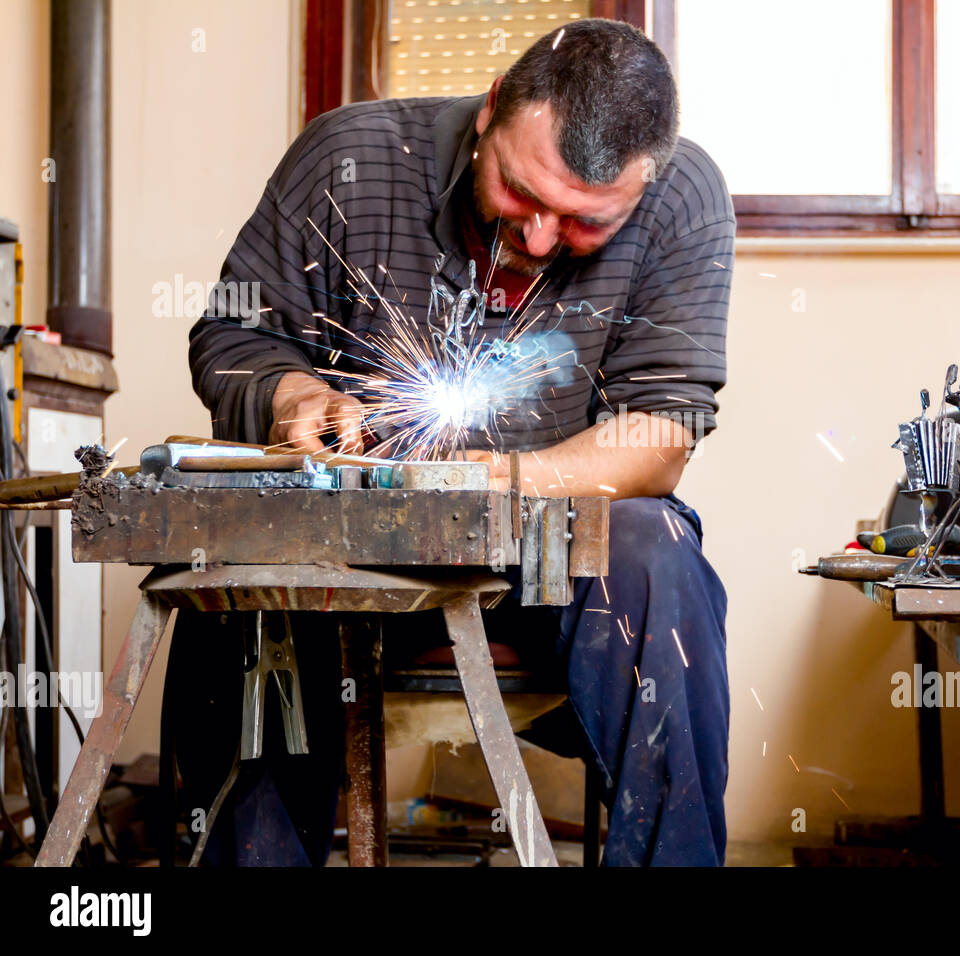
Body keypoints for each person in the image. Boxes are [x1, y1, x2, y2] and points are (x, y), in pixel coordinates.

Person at [170, 17, 733, 866]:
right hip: (352, 541)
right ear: (491, 109)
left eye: (584, 223)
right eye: (522, 193)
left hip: (552, 541)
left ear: (641, 184)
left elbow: (663, 425)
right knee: (250, 573)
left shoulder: (682, 194)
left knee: (657, 555)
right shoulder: (347, 159)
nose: (539, 239)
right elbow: (232, 337)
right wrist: (294, 395)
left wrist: (511, 477)